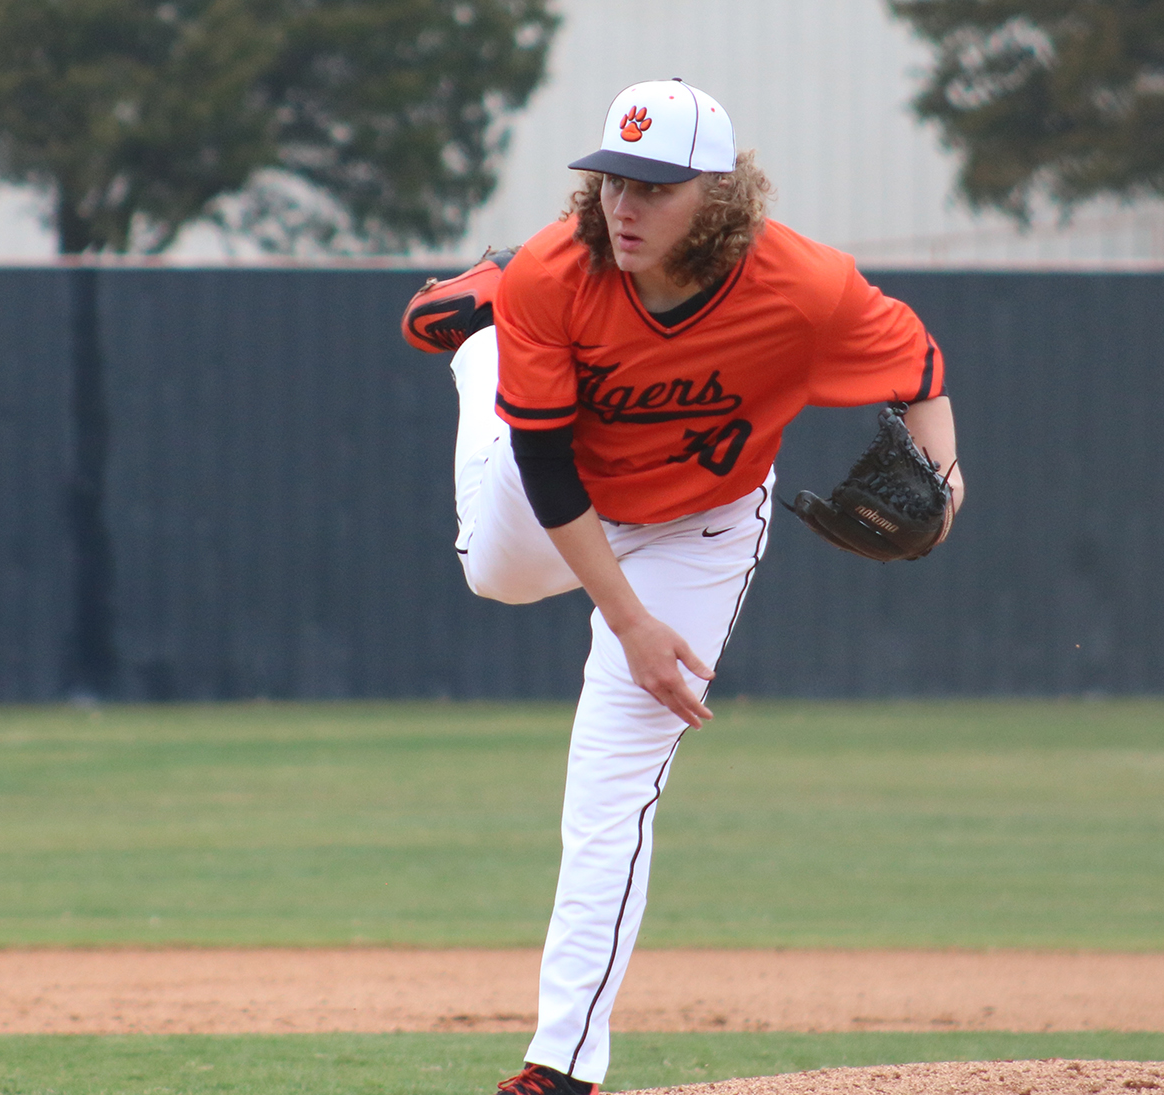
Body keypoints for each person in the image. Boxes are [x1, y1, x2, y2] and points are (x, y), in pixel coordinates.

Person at [408, 78, 963, 1095]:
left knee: (610, 789)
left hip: (696, 528)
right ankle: (481, 342)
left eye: (654, 186)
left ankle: (560, 1067)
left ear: (719, 194)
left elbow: (918, 369)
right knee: (490, 576)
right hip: (560, 496)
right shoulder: (559, 274)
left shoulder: (804, 285)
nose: (624, 205)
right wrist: (626, 621)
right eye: (611, 179)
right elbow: (545, 468)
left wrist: (947, 486)